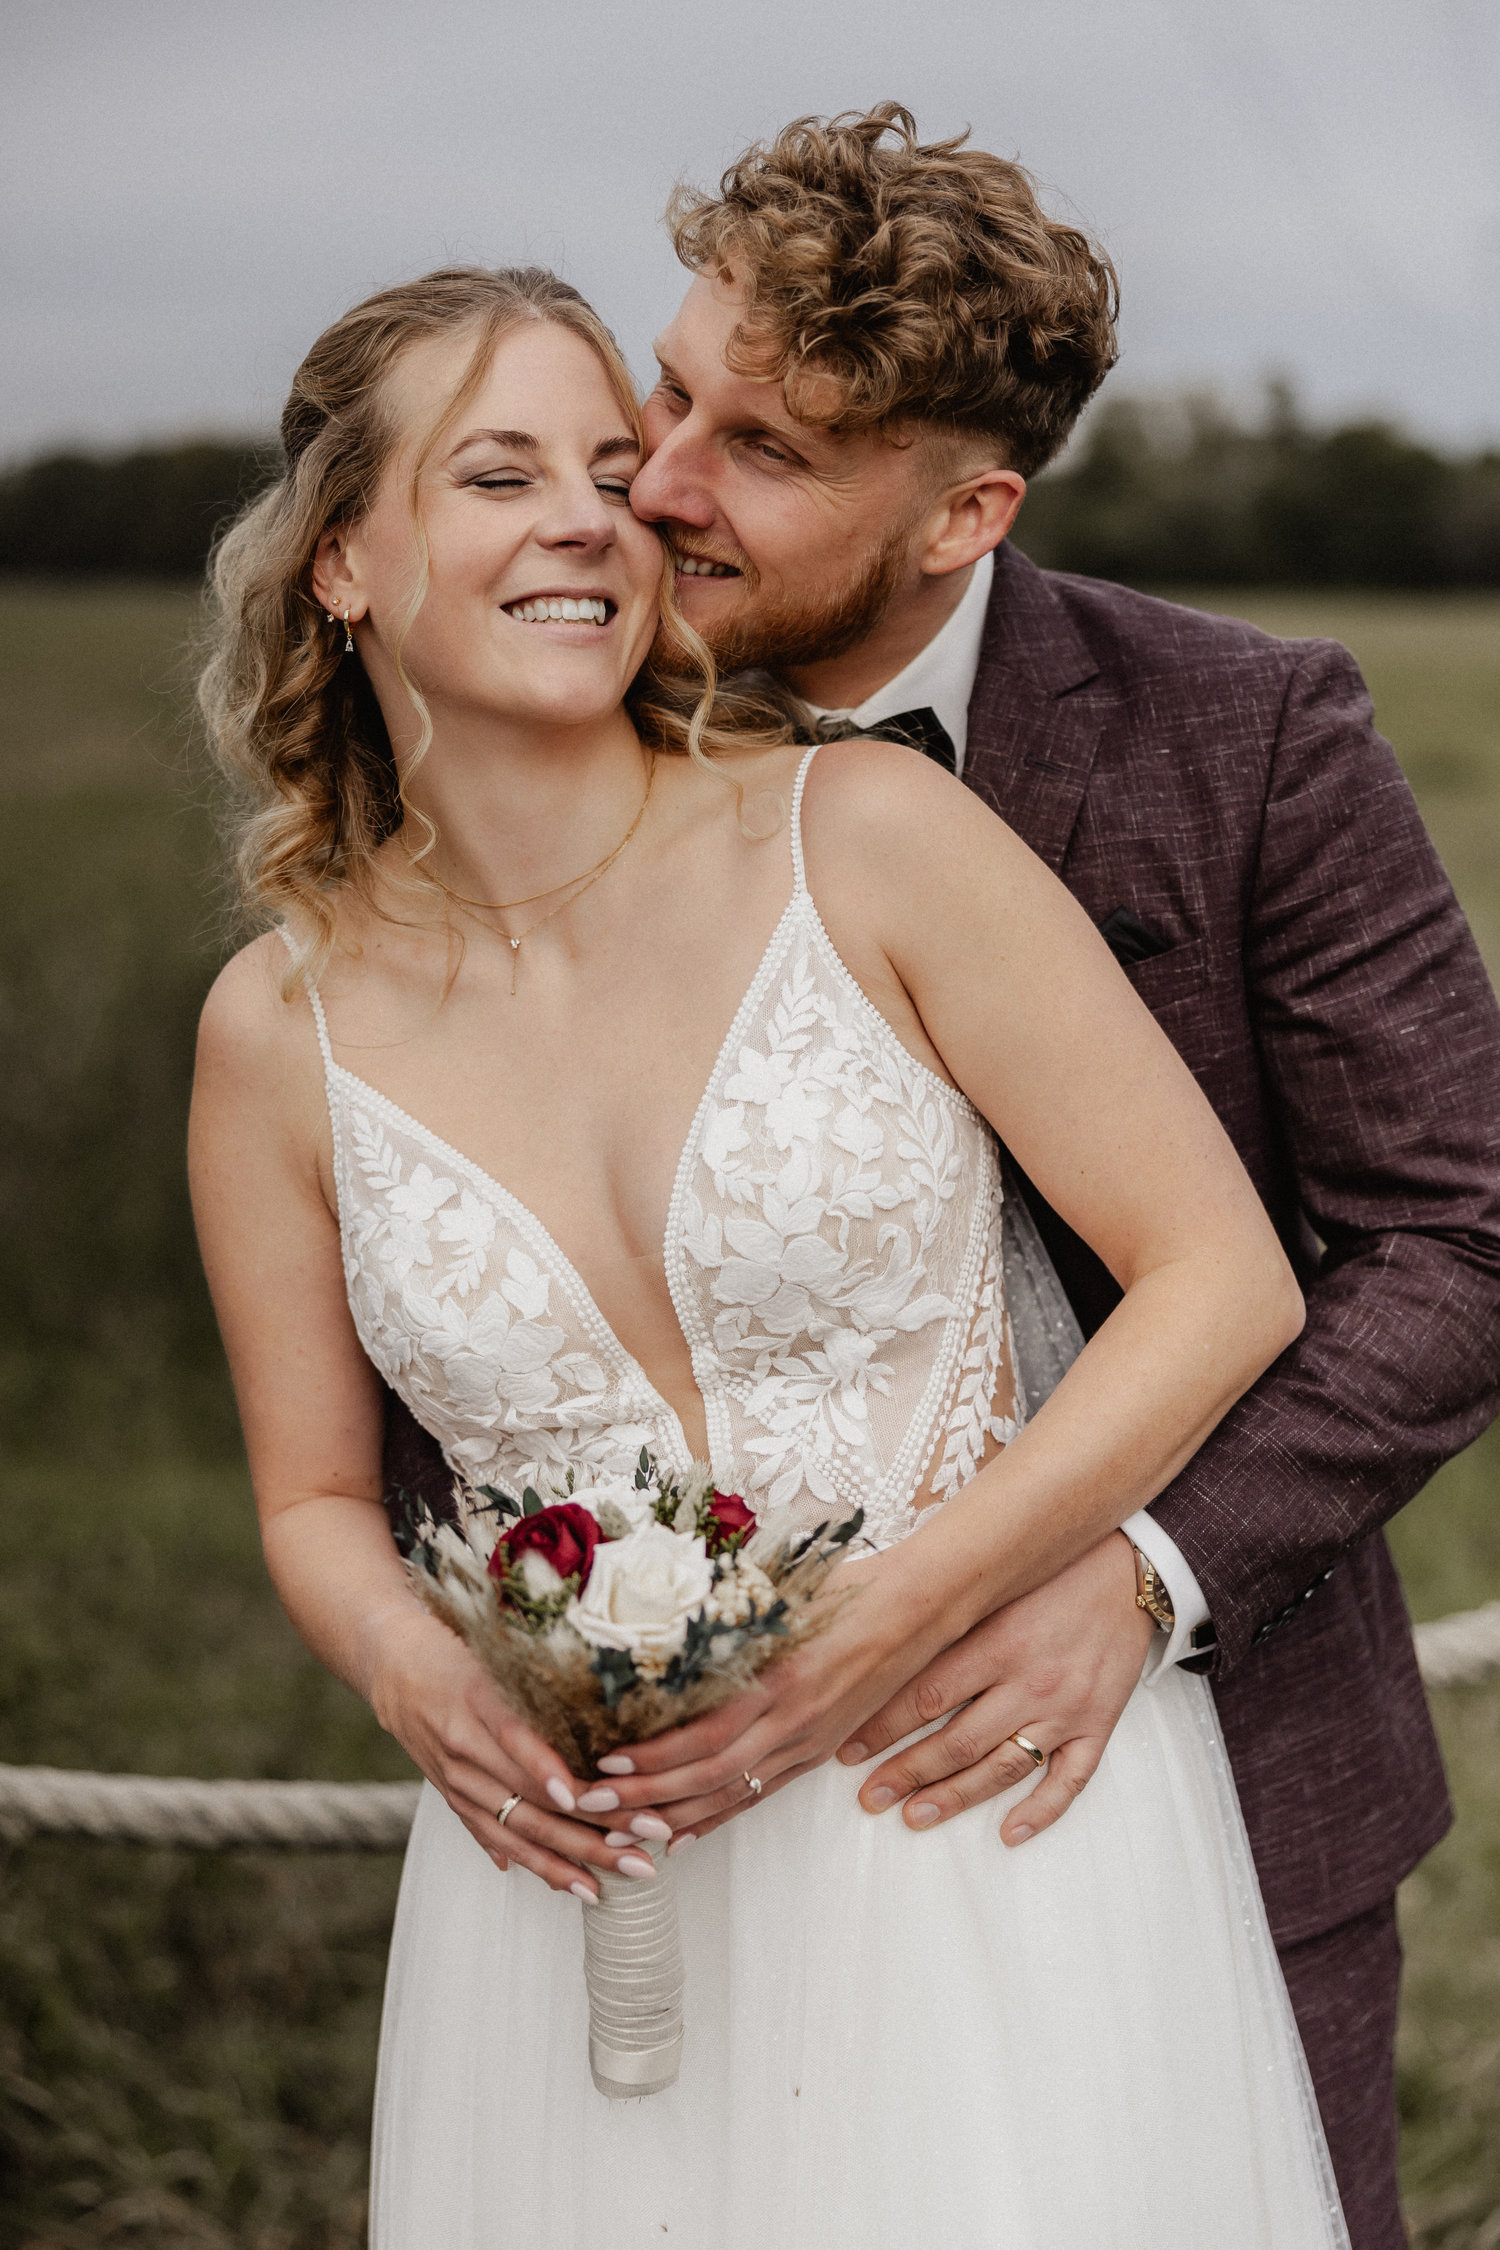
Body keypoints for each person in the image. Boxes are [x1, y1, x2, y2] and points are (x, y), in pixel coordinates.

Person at [374, 107, 1500, 2250]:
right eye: (669, 386)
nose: (663, 480)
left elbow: (1462, 1233)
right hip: (657, 1854)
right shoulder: (527, 740)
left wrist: (1145, 1582)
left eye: (769, 449)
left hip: (1185, 1771)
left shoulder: (1243, 740)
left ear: (964, 511)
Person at [191, 263, 1350, 2247]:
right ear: (342, 564)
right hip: (570, 1892)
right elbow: (309, 1493)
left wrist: (881, 1628)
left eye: (608, 463)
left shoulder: (871, 834)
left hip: (975, 1803)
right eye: (497, 473)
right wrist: (417, 1679)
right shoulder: (273, 1026)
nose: (590, 513)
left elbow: (1217, 1275)